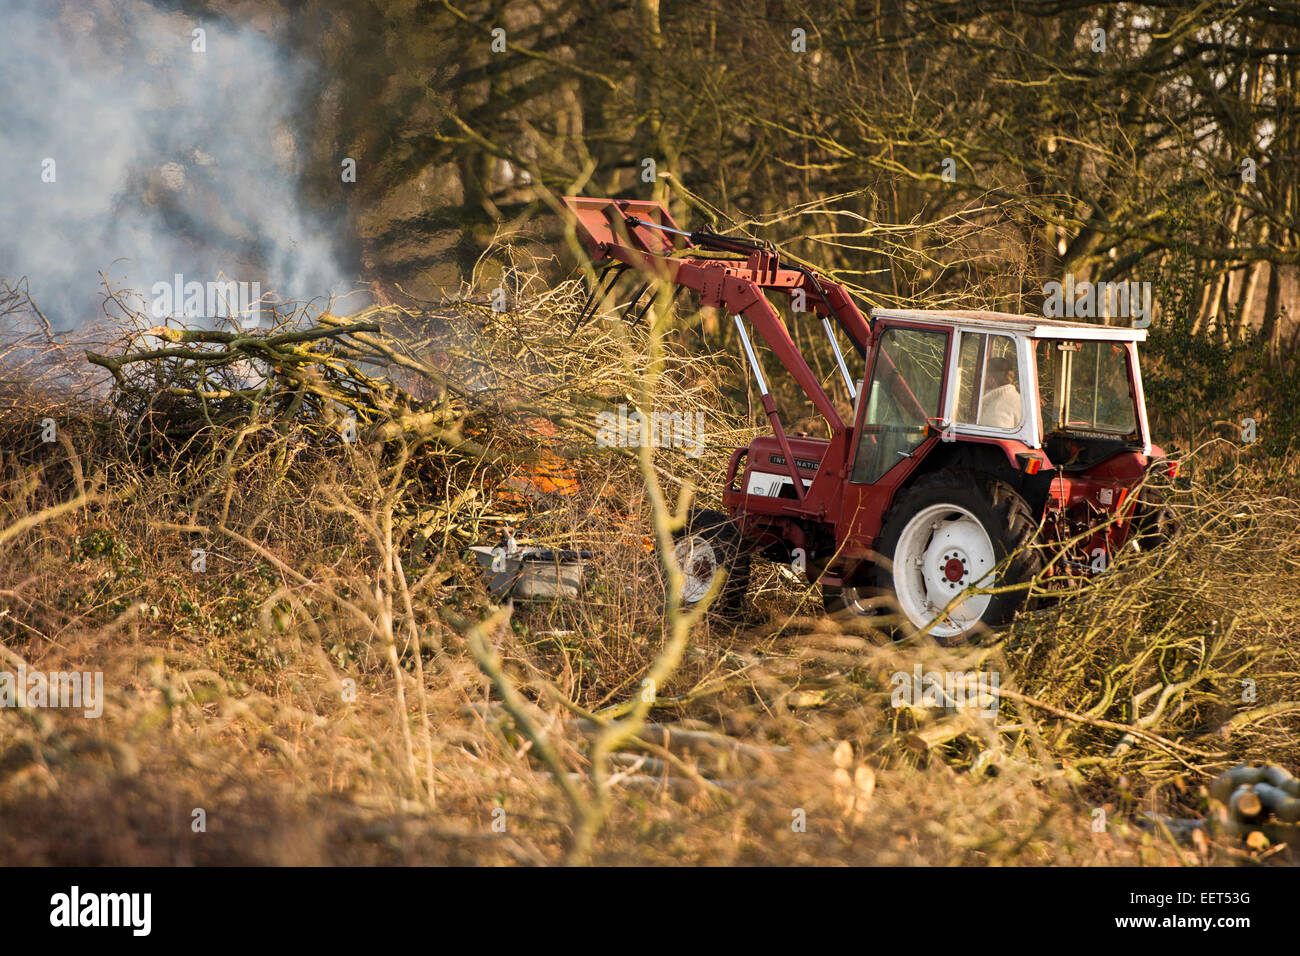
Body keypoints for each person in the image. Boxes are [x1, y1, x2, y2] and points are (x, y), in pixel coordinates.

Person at [977, 356, 1022, 428]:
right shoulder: (1016, 398)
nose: (979, 381)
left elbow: (990, 438)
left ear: (991, 380)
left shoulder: (996, 409)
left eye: (982, 376)